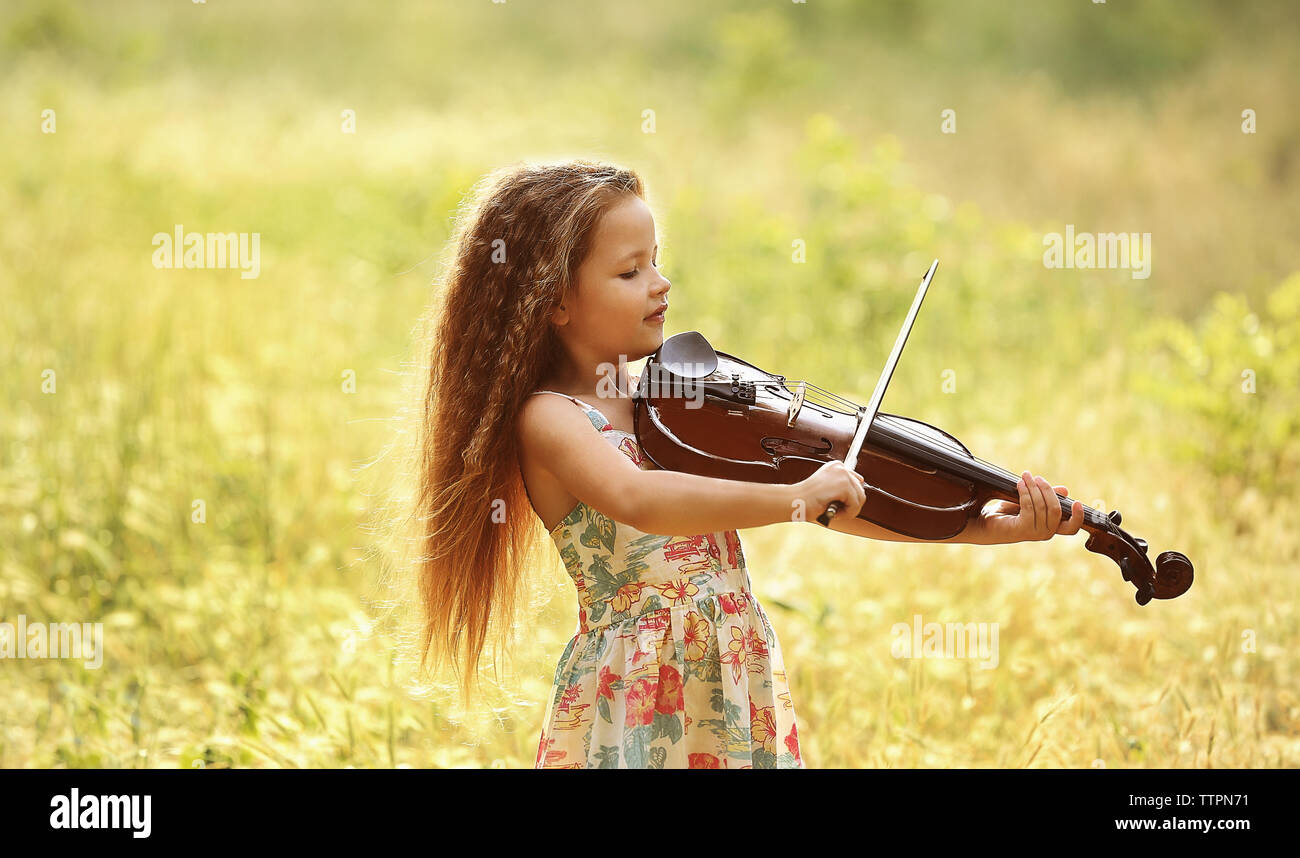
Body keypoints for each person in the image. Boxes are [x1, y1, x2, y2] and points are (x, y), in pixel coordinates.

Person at [406, 159, 1083, 769]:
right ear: (553, 300)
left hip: (732, 676)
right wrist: (799, 495)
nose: (660, 284)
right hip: (636, 688)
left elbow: (834, 505)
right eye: (630, 270)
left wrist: (979, 526)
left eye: (657, 261)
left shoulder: (674, 404)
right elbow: (639, 498)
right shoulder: (550, 418)